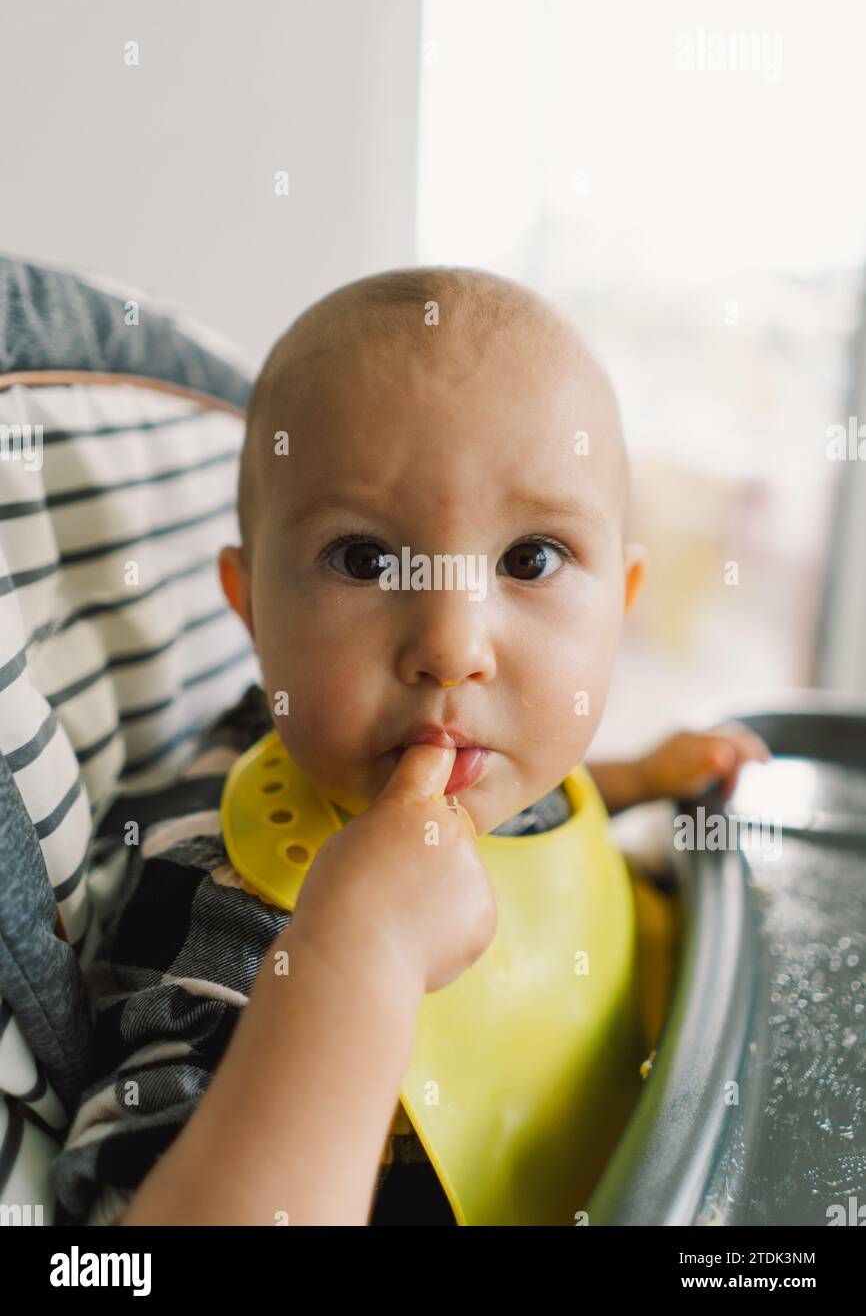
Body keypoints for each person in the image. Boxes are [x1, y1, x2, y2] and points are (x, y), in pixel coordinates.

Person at [49, 267, 768, 1226]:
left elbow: (524, 841)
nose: (452, 646)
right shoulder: (213, 913)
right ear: (252, 610)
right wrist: (360, 954)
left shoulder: (491, 764)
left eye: (530, 559)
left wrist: (627, 782)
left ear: (620, 611)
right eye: (364, 559)